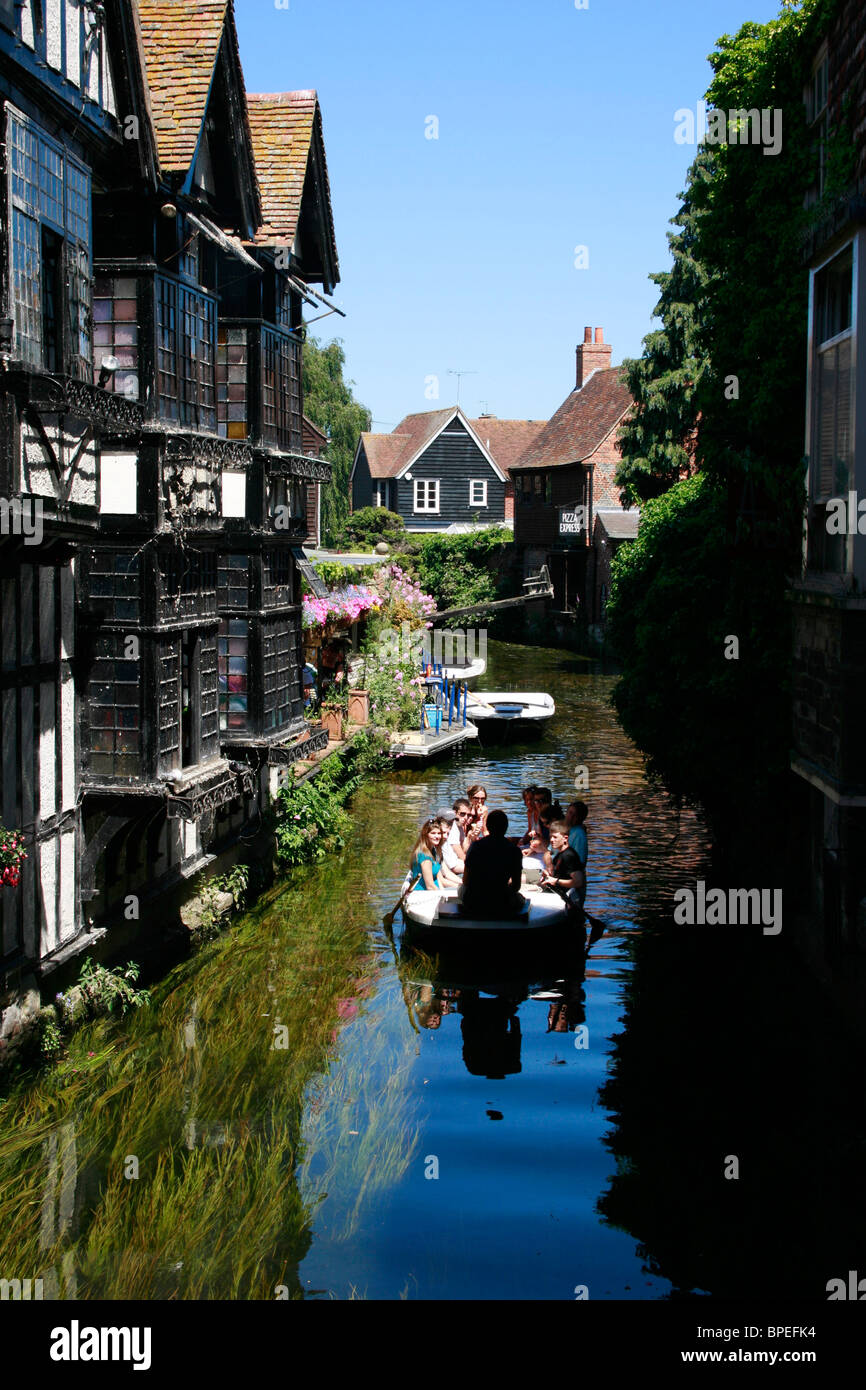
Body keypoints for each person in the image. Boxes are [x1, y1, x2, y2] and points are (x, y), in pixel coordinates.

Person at [460, 809, 526, 919]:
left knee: (461, 888)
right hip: (502, 900)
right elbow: (516, 886)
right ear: (505, 828)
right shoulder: (514, 851)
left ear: (488, 826)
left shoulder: (475, 846)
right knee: (520, 899)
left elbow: (465, 881)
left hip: (474, 901)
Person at [539, 821, 585, 911]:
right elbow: (562, 874)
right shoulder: (560, 854)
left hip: (560, 898)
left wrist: (555, 881)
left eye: (555, 837)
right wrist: (548, 875)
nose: (551, 840)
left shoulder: (568, 856)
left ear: (565, 838)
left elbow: (578, 882)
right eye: (550, 837)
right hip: (553, 892)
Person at [409, 818, 460, 892]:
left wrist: (461, 886)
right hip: (424, 895)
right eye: (433, 833)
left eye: (439, 833)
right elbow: (430, 886)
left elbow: (439, 879)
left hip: (436, 891)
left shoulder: (433, 851)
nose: (437, 836)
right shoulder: (425, 856)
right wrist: (443, 895)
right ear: (425, 835)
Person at [443, 799, 471, 875]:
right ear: (455, 813)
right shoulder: (452, 827)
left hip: (457, 862)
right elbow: (457, 848)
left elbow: (463, 850)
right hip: (452, 866)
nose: (466, 817)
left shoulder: (460, 827)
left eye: (468, 815)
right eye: (462, 814)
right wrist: (471, 864)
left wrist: (469, 837)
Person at [565, 801, 589, 877]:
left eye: (575, 815)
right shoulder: (567, 829)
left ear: (581, 818)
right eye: (570, 813)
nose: (571, 817)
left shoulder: (579, 834)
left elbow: (580, 863)